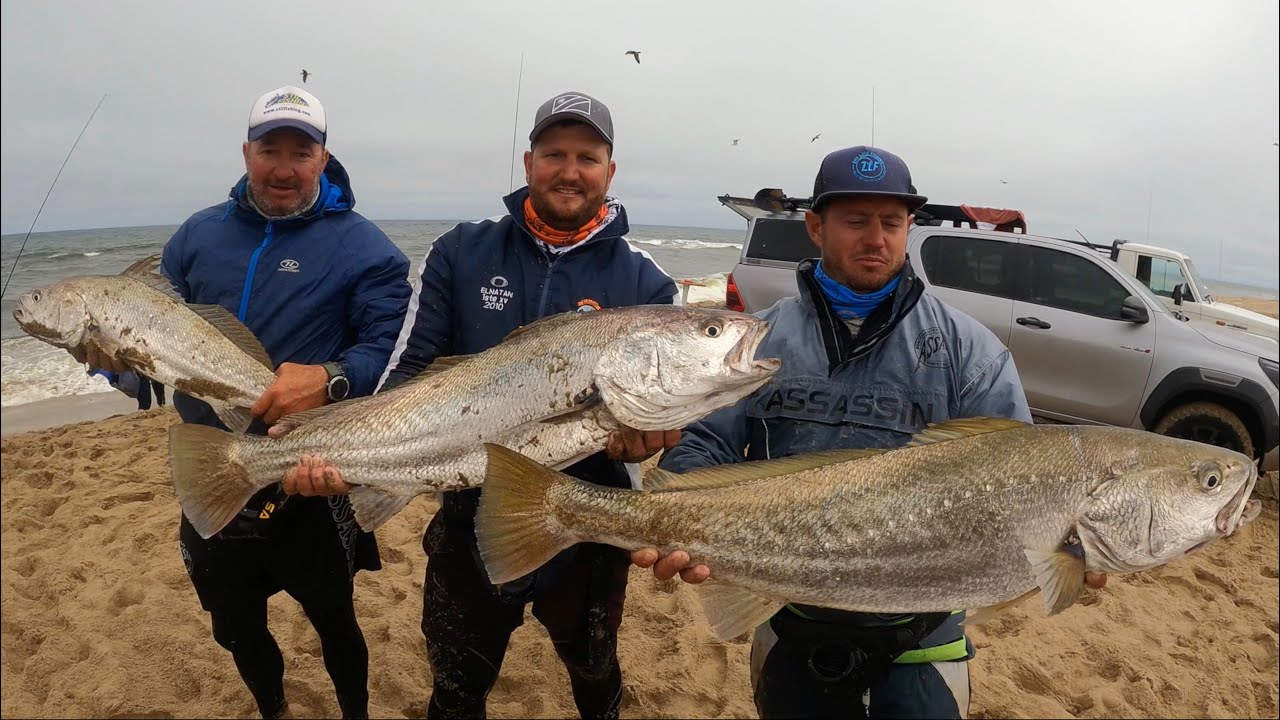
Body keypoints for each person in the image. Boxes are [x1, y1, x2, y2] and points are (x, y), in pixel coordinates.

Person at [629, 145, 1107, 719]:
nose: (875, 238)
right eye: (855, 221)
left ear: (909, 228)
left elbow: (1024, 479)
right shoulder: (753, 342)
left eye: (891, 222)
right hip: (788, 619)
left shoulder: (970, 353)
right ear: (815, 227)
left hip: (922, 641)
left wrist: (1072, 545)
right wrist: (678, 517)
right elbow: (708, 442)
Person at [282, 91, 680, 719]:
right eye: (554, 154)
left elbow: (670, 404)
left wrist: (656, 431)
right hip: (467, 514)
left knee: (594, 670)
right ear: (528, 163)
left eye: (587, 156)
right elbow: (405, 369)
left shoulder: (646, 283)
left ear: (610, 170)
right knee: (457, 682)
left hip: (589, 525)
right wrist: (347, 447)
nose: (569, 171)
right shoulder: (461, 250)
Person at [82, 84, 412, 719]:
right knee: (234, 623)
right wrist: (116, 366)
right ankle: (273, 710)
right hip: (211, 464)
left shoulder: (367, 248)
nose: (283, 168)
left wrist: (333, 377)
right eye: (269, 149)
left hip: (308, 472)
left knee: (335, 620)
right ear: (245, 151)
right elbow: (152, 350)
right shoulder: (195, 238)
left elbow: (388, 353)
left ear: (323, 157)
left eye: (300, 151)